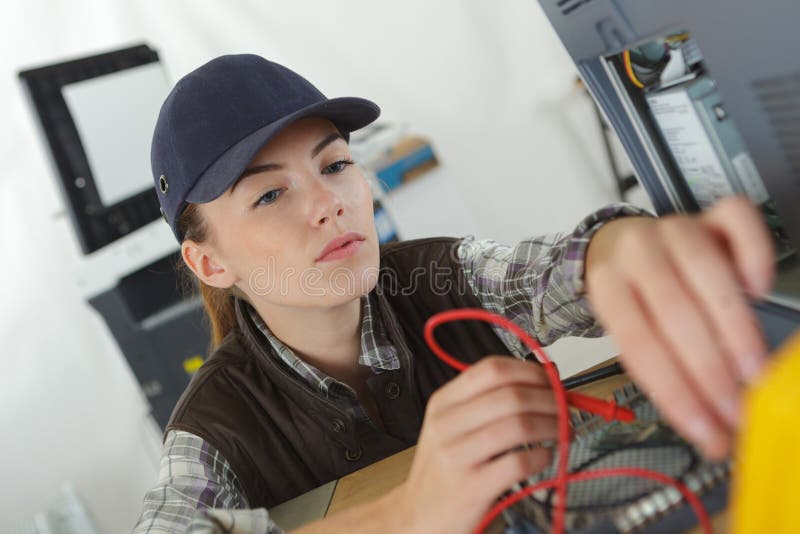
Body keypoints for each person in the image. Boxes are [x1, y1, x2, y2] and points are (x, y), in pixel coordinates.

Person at [132, 54, 775, 533]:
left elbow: (559, 270)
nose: (330, 205)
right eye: (270, 194)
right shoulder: (212, 431)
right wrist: (408, 514)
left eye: (334, 166)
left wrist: (622, 251)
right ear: (209, 262)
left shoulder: (437, 275)